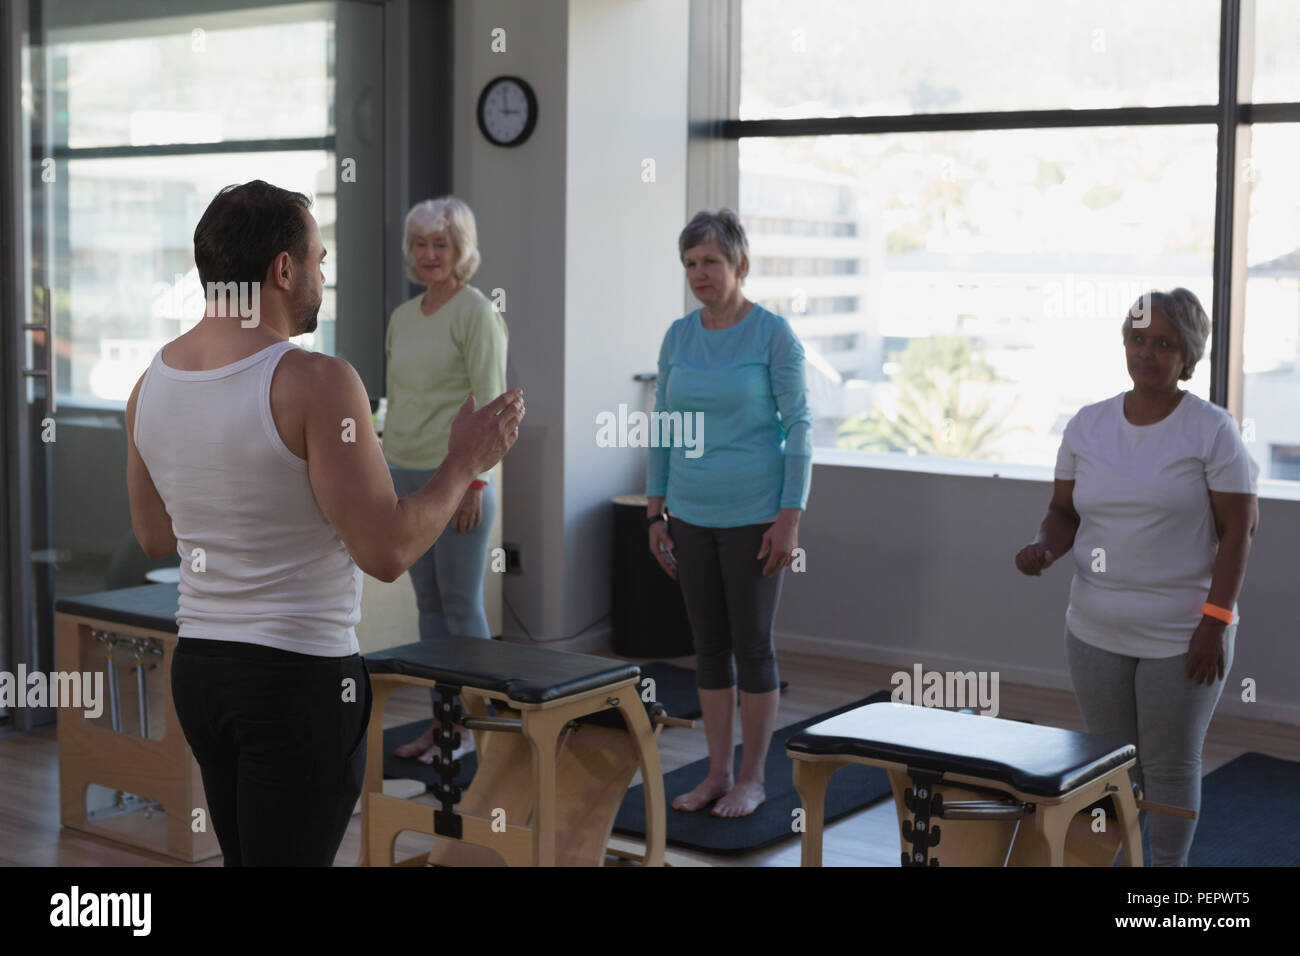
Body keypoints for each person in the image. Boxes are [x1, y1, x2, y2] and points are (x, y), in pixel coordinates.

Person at [125, 180, 524, 865]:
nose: (322, 276)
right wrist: (465, 462)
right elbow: (388, 551)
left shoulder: (149, 384)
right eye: (319, 259)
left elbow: (155, 537)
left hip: (202, 672)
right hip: (297, 678)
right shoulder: (317, 380)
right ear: (284, 269)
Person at [1015, 287, 1258, 866]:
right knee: (1113, 765)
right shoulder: (1088, 424)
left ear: (1188, 355)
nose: (1147, 352)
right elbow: (1064, 513)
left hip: (1184, 634)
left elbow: (1239, 531)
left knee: (1170, 766)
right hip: (1094, 628)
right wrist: (1045, 547)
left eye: (1164, 343)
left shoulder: (1212, 430)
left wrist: (1215, 621)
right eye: (1138, 339)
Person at [646, 208, 812, 819]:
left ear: (740, 264)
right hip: (690, 513)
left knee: (753, 646)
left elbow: (800, 428)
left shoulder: (773, 334)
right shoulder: (678, 336)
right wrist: (654, 512)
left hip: (755, 516)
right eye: (690, 263)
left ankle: (753, 779)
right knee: (709, 647)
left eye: (710, 261)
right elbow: (663, 425)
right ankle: (716, 773)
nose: (699, 273)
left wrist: (789, 517)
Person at [384, 197, 508, 764]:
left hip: (457, 479)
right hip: (404, 475)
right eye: (421, 244)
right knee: (429, 607)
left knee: (461, 606)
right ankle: (442, 725)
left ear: (461, 249)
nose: (430, 254)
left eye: (441, 244)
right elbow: (399, 400)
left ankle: (473, 730)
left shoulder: (476, 312)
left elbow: (491, 403)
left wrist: (474, 483)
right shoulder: (403, 317)